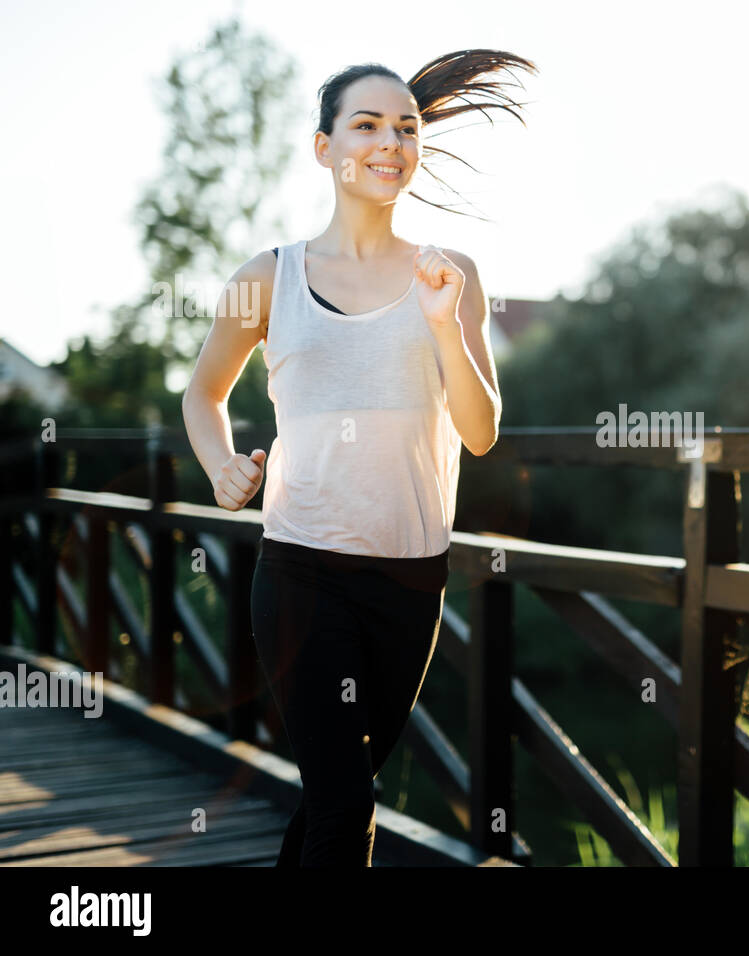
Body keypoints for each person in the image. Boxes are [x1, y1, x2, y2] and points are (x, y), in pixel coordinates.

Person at [181, 50, 534, 866]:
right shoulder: (269, 278)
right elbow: (202, 395)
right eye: (367, 124)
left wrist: (445, 323)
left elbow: (480, 432)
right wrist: (220, 466)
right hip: (302, 570)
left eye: (407, 128)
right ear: (324, 147)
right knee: (347, 809)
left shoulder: (451, 274)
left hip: (412, 577)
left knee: (336, 798)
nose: (391, 143)